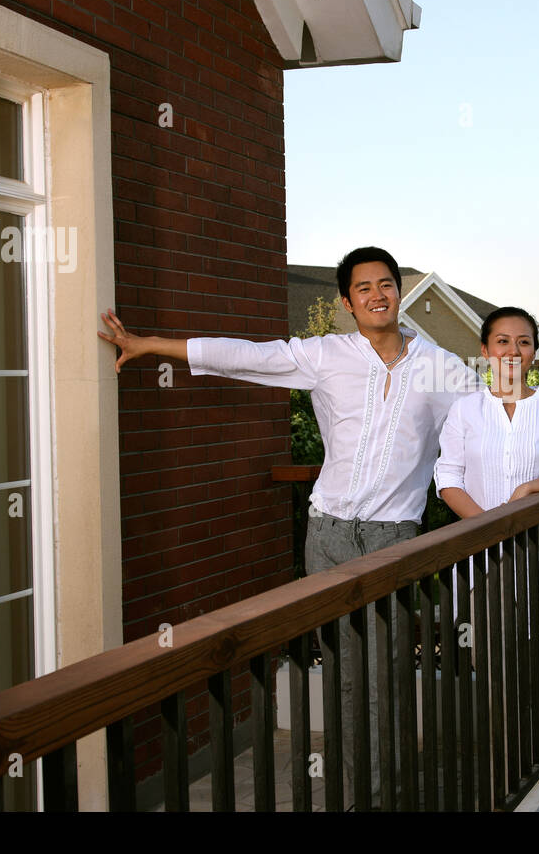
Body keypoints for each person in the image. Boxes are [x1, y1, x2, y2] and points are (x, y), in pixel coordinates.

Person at [98, 246, 483, 807]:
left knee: (385, 675)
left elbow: (495, 417)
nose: (377, 295)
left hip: (390, 541)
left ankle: (381, 791)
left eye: (386, 285)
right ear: (348, 302)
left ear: (399, 292)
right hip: (326, 537)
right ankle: (360, 791)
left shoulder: (441, 366)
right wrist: (149, 344)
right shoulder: (327, 354)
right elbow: (245, 357)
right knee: (347, 677)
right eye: (363, 288)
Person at [433, 306, 539, 702]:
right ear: (485, 350)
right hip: (482, 557)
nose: (513, 350)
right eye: (502, 341)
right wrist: (492, 525)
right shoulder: (465, 410)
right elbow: (447, 477)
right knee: (492, 671)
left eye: (523, 342)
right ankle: (506, 758)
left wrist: (529, 489)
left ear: (534, 353)